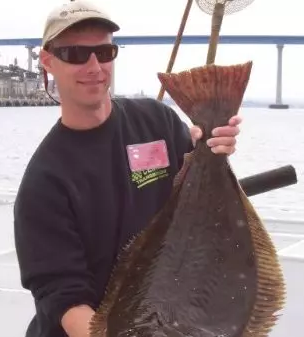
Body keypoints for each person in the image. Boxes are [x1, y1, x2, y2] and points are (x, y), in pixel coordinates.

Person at [13, 1, 242, 336]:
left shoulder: (157, 120)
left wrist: (216, 148)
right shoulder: (44, 182)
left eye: (104, 52)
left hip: (170, 315)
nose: (94, 66)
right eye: (76, 54)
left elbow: (204, 200)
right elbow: (65, 298)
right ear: (47, 62)